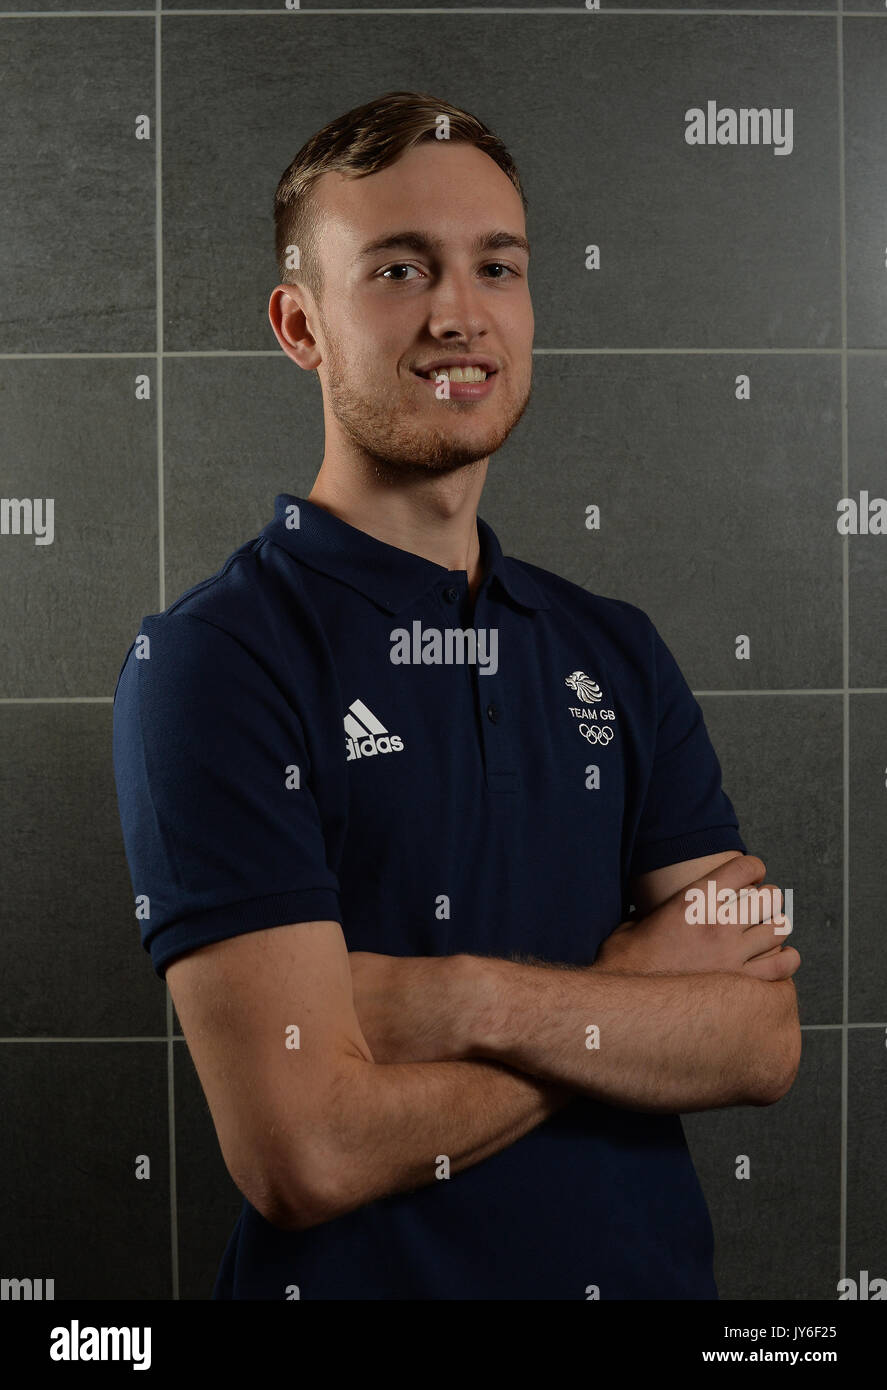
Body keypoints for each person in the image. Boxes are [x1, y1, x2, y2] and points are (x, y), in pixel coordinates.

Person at [112, 90, 801, 1300]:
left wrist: (451, 999)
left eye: (496, 263)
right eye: (396, 269)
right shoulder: (213, 665)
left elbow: (758, 1036)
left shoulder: (614, 648)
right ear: (298, 324)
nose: (458, 313)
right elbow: (306, 1149)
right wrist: (632, 989)